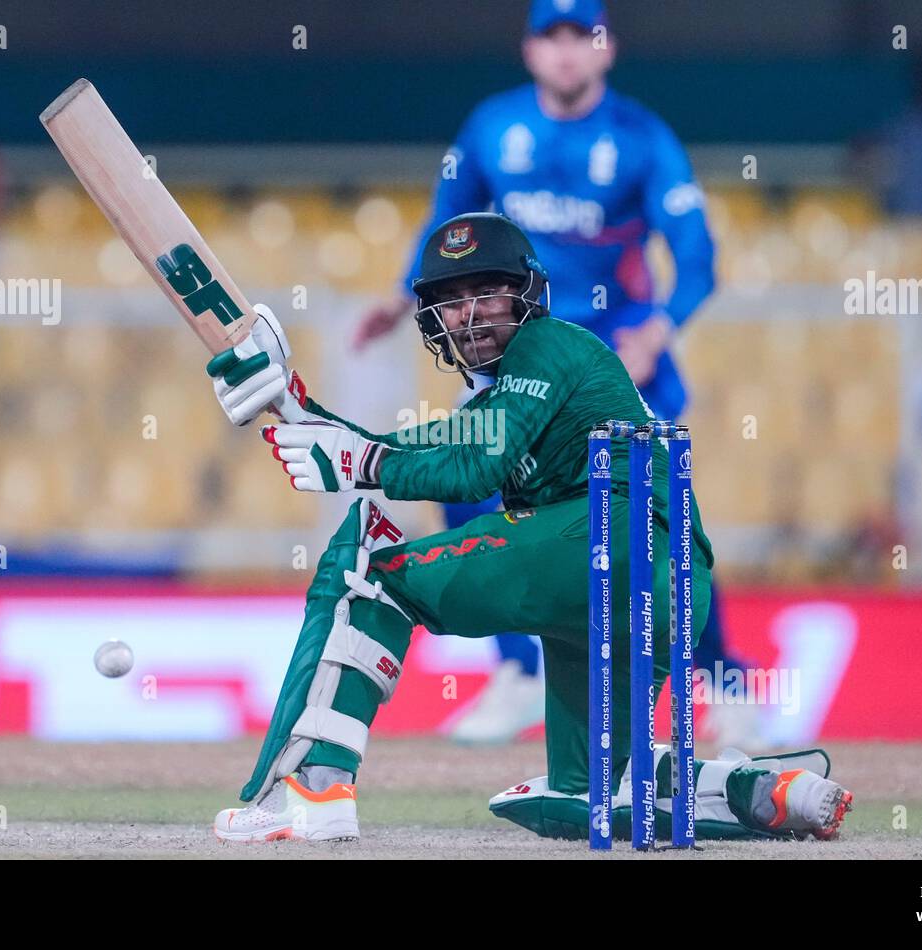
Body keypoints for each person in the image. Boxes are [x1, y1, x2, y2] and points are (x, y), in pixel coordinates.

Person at [207, 213, 853, 843]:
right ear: (433, 317)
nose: (470, 314)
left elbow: (472, 470)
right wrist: (291, 404)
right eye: (452, 300)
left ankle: (316, 790)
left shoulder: (548, 346)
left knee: (369, 579)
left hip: (605, 543)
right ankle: (760, 791)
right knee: (589, 792)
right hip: (661, 584)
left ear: (527, 296)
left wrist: (362, 463)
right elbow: (400, 446)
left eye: (487, 292)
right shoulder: (509, 395)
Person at [353, 0, 751, 744]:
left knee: (657, 527)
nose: (566, 50)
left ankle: (725, 683)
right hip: (518, 365)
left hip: (614, 366)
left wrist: (659, 328)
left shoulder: (641, 138)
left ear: (607, 49)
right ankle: (522, 674)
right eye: (551, 36)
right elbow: (447, 225)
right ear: (530, 51)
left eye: (581, 35)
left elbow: (697, 258)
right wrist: (401, 296)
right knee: (467, 488)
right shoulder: (492, 128)